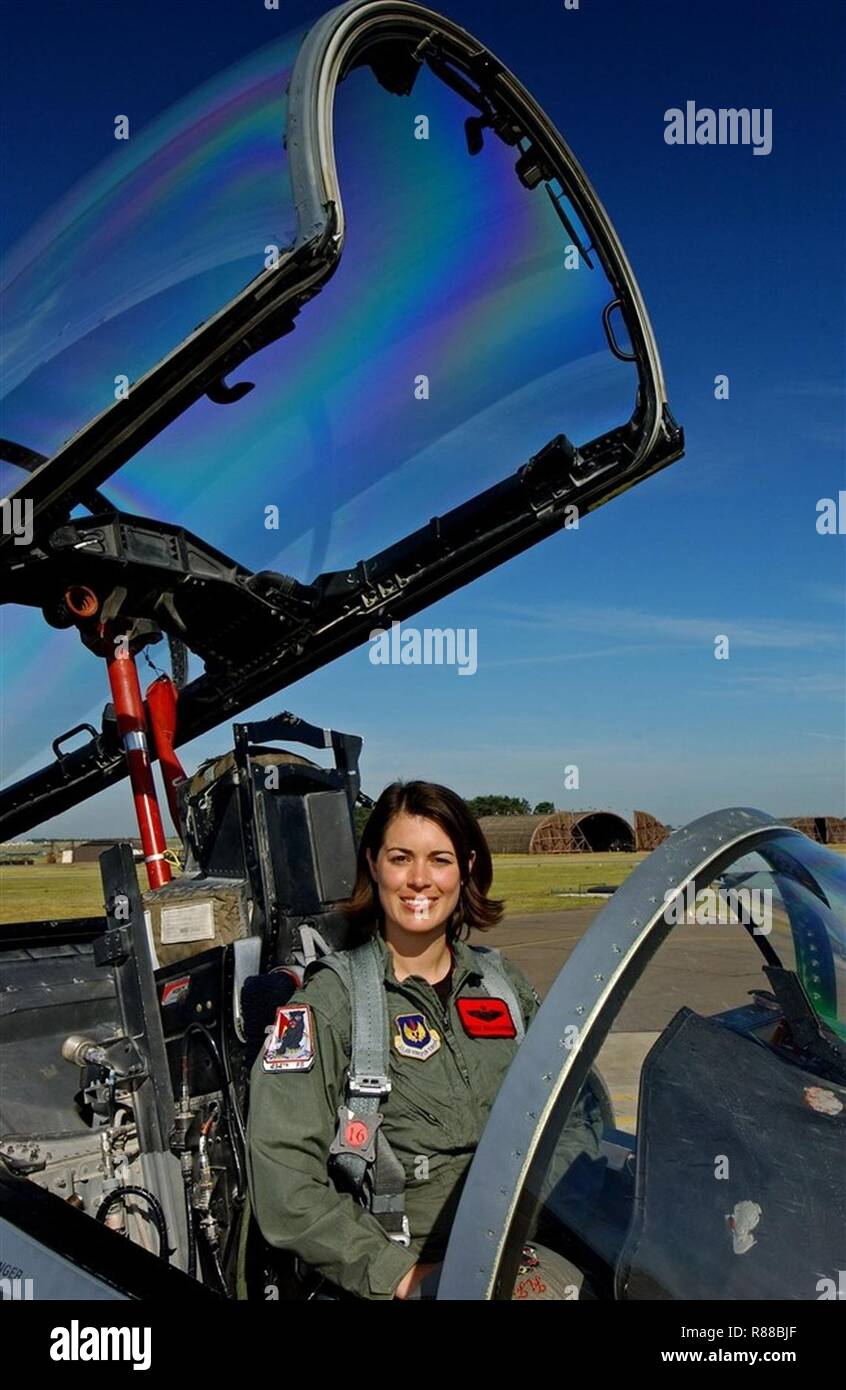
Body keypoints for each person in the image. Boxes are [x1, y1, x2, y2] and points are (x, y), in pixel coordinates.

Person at [246, 780, 602, 1300]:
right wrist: (398, 1275)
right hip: (401, 1275)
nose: (419, 880)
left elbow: (580, 1108)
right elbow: (285, 1182)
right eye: (400, 858)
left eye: (439, 859)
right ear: (373, 865)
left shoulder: (506, 989)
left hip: (517, 1256)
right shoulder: (330, 1005)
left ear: (466, 867)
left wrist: (536, 1206)